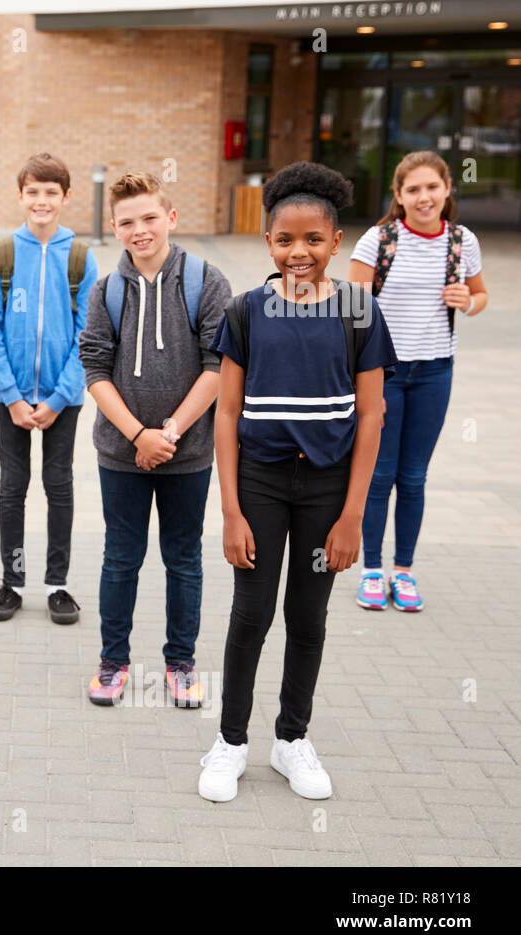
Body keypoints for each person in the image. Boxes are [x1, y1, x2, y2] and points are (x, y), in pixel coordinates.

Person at [198, 162, 396, 802]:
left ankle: (291, 740)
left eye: (314, 240)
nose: (299, 252)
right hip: (259, 482)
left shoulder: (359, 312)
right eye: (286, 240)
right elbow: (226, 413)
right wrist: (230, 509)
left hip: (328, 490)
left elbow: (372, 416)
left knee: (307, 615)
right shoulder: (246, 311)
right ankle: (229, 743)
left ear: (337, 243)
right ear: (268, 242)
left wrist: (353, 515)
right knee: (250, 613)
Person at [79, 172, 231, 706]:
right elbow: (94, 369)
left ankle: (181, 663)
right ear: (114, 229)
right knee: (120, 557)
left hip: (187, 453)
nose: (139, 230)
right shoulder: (106, 290)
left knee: (184, 558)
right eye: (127, 222)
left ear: (170, 218)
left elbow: (220, 364)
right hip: (121, 454)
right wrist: (139, 435)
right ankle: (113, 661)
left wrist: (170, 432)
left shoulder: (206, 281)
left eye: (149, 218)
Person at [349, 150, 488, 612]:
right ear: (399, 195)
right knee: (378, 473)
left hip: (434, 372)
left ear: (447, 189)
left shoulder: (462, 241)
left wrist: (467, 300)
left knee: (413, 476)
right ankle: (371, 570)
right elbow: (350, 310)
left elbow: (481, 295)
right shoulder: (377, 240)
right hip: (383, 375)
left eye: (432, 187)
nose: (424, 197)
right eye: (414, 189)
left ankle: (403, 572)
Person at [0, 153, 96, 625]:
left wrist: (57, 397)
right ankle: (12, 580)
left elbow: (88, 336)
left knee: (59, 485)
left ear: (66, 198)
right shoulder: (2, 254)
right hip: (9, 397)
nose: (42, 201)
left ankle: (58, 584)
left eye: (51, 192)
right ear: (21, 196)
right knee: (13, 487)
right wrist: (10, 395)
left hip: (61, 399)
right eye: (33, 192)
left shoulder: (80, 257)